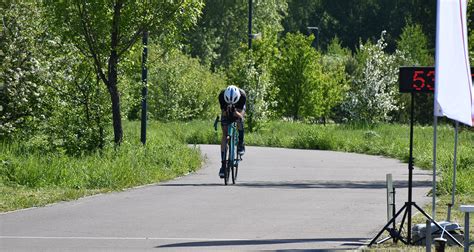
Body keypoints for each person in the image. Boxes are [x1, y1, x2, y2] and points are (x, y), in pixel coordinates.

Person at [218, 85, 246, 178]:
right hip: (226, 109)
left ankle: (241, 142)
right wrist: (227, 112)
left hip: (238, 109)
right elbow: (223, 112)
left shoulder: (242, 96)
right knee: (224, 134)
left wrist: (236, 113)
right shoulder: (222, 96)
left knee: (240, 122)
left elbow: (241, 115)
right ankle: (223, 165)